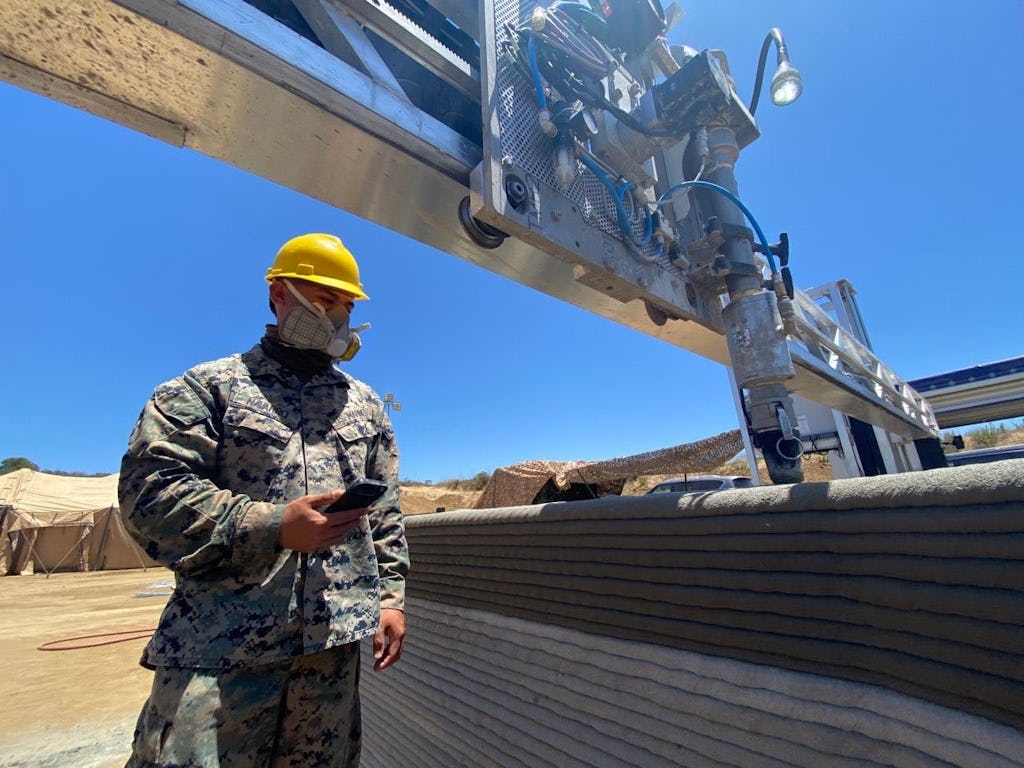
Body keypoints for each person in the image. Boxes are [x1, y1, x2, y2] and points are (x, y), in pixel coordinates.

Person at [118, 233, 409, 768]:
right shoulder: (207, 389)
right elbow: (149, 495)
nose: (336, 318)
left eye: (344, 306)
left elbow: (385, 511)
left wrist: (391, 597)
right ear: (278, 295)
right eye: (322, 301)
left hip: (330, 655)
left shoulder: (366, 406)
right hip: (220, 651)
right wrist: (270, 524)